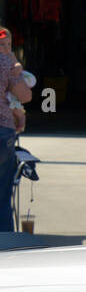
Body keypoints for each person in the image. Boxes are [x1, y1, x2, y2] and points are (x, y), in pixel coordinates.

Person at [0, 24, 33, 232]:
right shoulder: (6, 63)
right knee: (2, 196)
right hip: (3, 131)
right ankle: (6, 246)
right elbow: (25, 96)